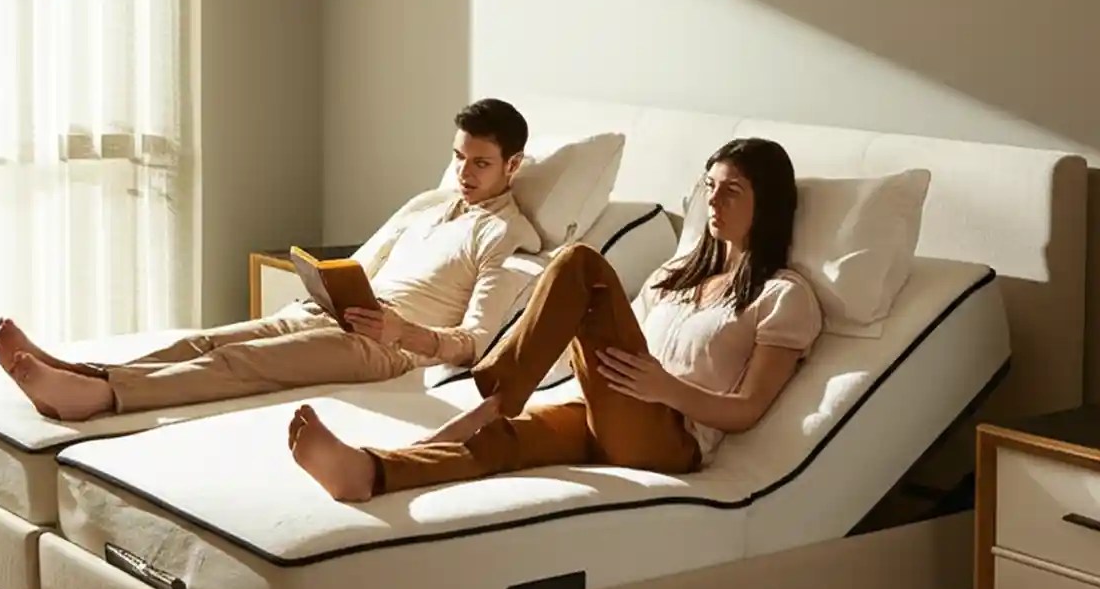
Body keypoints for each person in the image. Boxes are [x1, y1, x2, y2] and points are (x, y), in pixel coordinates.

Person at [289, 137, 824, 502]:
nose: (713, 202)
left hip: (669, 438)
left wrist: (667, 389)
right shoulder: (674, 276)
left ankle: (494, 397)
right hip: (606, 411)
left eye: (732, 191)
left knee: (580, 264)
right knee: (503, 441)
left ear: (768, 205)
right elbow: (615, 344)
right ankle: (370, 470)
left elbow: (747, 409)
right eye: (709, 186)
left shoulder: (783, 295)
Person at [0, 98, 542, 421]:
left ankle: (104, 396)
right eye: (458, 158)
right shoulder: (428, 204)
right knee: (207, 342)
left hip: (385, 348)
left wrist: (403, 332)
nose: (464, 173)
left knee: (243, 363)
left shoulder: (504, 234)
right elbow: (362, 265)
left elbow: (476, 342)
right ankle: (78, 372)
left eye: (480, 163)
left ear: (513, 165)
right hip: (332, 315)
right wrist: (323, 290)